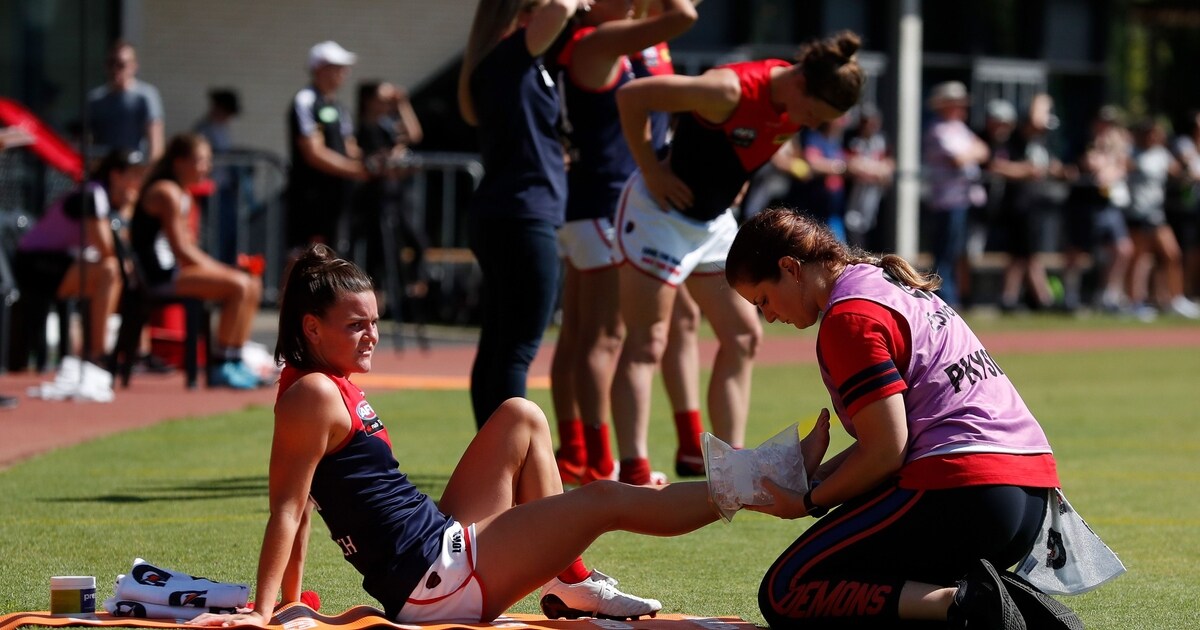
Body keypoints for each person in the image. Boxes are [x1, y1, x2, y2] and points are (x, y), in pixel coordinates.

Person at [188, 244, 722, 627]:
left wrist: (289, 601)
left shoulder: (324, 384)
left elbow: (304, 507)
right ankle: (745, 488)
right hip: (434, 582)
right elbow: (288, 508)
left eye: (375, 321)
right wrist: (265, 611)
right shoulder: (314, 395)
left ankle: (569, 581)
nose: (372, 335)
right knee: (603, 498)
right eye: (356, 326)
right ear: (311, 329)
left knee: (521, 415)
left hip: (437, 548)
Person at [723, 207, 1076, 629]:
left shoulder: (848, 316)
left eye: (763, 299)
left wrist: (807, 502)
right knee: (885, 593)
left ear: (789, 267)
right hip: (1030, 497)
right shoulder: (887, 281)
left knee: (787, 591)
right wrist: (811, 479)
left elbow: (887, 451)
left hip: (966, 491)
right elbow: (897, 439)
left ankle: (967, 603)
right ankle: (985, 597)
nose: (768, 315)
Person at [609, 30, 865, 485]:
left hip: (711, 223)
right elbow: (633, 95)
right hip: (658, 214)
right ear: (800, 85)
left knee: (743, 335)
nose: (807, 124)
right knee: (648, 340)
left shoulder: (790, 104)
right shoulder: (728, 89)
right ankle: (634, 470)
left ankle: (729, 469)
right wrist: (650, 167)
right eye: (811, 114)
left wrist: (739, 175)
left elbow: (755, 140)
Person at [544, 0, 698, 484]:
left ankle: (579, 451)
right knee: (603, 337)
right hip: (606, 201)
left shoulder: (590, 39)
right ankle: (600, 460)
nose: (631, 3)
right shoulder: (594, 38)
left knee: (581, 337)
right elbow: (682, 16)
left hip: (593, 201)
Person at [458, 0, 592, 428]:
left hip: (510, 212)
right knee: (514, 349)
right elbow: (560, 7)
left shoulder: (508, 63)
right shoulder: (510, 55)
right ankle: (511, 458)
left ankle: (494, 455)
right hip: (522, 216)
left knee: (499, 345)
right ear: (518, 14)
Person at [130, 134, 265, 388]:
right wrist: (225, 270)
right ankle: (220, 366)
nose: (207, 167)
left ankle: (235, 360)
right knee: (238, 284)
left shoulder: (182, 193)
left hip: (175, 271)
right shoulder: (165, 192)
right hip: (158, 276)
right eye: (201, 160)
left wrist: (226, 270)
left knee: (252, 283)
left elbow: (188, 248)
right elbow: (181, 251)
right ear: (180, 162)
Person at [14, 149, 144, 387]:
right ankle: (96, 355)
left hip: (57, 262)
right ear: (116, 176)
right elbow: (107, 248)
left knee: (114, 272)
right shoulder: (93, 194)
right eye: (134, 176)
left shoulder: (103, 199)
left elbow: (121, 248)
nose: (138, 183)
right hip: (35, 264)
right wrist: (125, 212)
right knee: (109, 270)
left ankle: (98, 349)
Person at [287, 41, 370, 255]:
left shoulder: (338, 106)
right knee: (304, 259)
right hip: (310, 197)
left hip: (338, 197)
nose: (345, 72)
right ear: (319, 68)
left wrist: (374, 162)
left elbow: (350, 147)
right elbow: (312, 152)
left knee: (335, 258)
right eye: (338, 66)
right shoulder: (305, 100)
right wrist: (356, 170)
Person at [353, 81, 429, 306]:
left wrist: (403, 104)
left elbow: (414, 134)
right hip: (376, 197)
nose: (387, 104)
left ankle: (410, 289)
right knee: (380, 252)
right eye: (383, 99)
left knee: (415, 241)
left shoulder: (387, 126)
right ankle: (377, 299)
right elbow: (369, 160)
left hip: (396, 196)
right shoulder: (363, 129)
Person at [994, 94, 1071, 312]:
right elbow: (999, 165)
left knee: (1028, 255)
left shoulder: (1043, 143)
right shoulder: (1016, 139)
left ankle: (1031, 298)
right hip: (1018, 205)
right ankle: (1028, 298)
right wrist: (1026, 171)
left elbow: (1050, 166)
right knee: (1021, 255)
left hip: (1036, 206)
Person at [922, 80, 990, 309]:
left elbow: (984, 149)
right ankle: (944, 300)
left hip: (963, 199)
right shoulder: (937, 129)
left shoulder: (959, 128)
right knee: (944, 253)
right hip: (946, 201)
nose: (962, 108)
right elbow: (959, 159)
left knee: (957, 252)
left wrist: (971, 153)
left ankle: (953, 298)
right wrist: (973, 153)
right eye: (956, 103)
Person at [1061, 105, 1135, 314]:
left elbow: (1122, 168)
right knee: (1076, 252)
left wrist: (1112, 165)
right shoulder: (1083, 141)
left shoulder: (1116, 144)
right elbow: (1089, 164)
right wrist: (1107, 164)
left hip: (1107, 204)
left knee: (1123, 249)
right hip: (1083, 205)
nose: (1106, 127)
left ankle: (1108, 296)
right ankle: (1070, 297)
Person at [1124, 117, 1199, 319]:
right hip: (1136, 213)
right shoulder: (1131, 153)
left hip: (1156, 213)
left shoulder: (1161, 154)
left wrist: (1188, 174)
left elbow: (1178, 173)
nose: (1154, 137)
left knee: (1172, 254)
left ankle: (1176, 299)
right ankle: (1135, 302)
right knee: (1139, 260)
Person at [87, 40, 164, 161]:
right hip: (102, 167)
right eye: (111, 63)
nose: (115, 69)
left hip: (133, 167)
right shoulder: (95, 99)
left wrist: (151, 171)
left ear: (134, 66)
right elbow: (87, 139)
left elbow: (155, 141)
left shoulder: (145, 97)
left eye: (120, 64)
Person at [194, 88, 243, 265]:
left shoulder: (222, 129)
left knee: (230, 233)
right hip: (211, 191)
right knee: (217, 235)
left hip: (225, 189)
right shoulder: (204, 130)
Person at [843, 103, 895, 250]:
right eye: (866, 121)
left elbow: (889, 165)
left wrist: (874, 170)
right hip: (855, 193)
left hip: (874, 193)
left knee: (871, 225)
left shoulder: (881, 140)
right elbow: (852, 165)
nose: (871, 125)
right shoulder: (852, 139)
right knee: (853, 224)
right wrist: (874, 171)